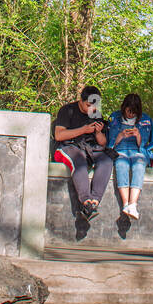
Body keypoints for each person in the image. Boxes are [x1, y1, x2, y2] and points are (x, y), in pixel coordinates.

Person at [53, 86, 112, 221]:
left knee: (107, 161)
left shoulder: (96, 113)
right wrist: (84, 130)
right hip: (69, 146)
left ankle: (94, 202)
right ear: (81, 101)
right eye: (88, 105)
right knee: (79, 161)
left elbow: (102, 143)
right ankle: (85, 201)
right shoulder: (67, 110)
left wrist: (97, 132)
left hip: (90, 148)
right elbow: (59, 135)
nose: (92, 108)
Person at [106, 93, 153, 221]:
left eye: (134, 112)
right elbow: (108, 143)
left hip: (138, 151)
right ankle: (125, 204)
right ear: (124, 108)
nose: (131, 115)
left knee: (139, 164)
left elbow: (148, 145)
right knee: (121, 164)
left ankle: (133, 204)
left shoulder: (146, 120)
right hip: (120, 150)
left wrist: (138, 136)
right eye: (129, 111)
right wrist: (120, 136)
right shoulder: (114, 118)